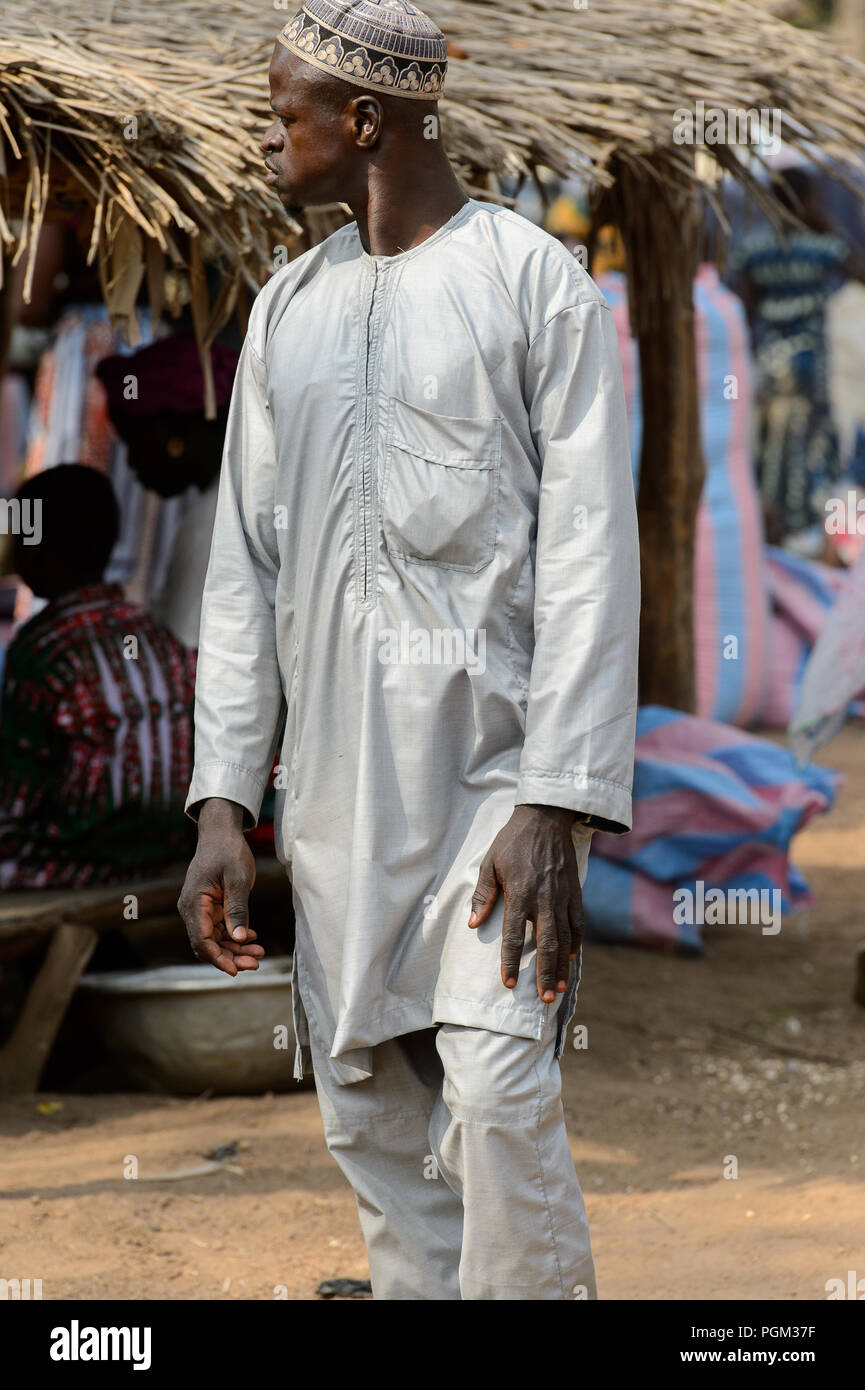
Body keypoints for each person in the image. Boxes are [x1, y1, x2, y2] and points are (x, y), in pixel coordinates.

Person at [178, 0, 639, 1301]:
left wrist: (557, 796)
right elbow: (242, 575)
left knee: (494, 1088)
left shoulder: (532, 286)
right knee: (378, 1128)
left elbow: (597, 552)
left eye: (284, 117)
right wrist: (225, 802)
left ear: (362, 120)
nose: (271, 145)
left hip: (497, 784)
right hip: (335, 800)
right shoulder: (286, 312)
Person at [0, 465, 196, 888]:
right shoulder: (153, 631)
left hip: (85, 864)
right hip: (170, 851)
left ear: (36, 549)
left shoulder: (44, 649)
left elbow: (17, 803)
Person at [730, 166, 865, 550]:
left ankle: (772, 532)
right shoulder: (823, 248)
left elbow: (743, 312)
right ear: (809, 201)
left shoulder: (753, 251)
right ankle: (803, 534)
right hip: (811, 368)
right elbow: (860, 270)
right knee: (812, 451)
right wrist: (825, 224)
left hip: (769, 368)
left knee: (769, 449)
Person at [96, 333, 240, 648]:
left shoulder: (213, 523)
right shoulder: (232, 497)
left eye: (134, 439)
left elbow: (187, 655)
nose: (132, 462)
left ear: (177, 430)